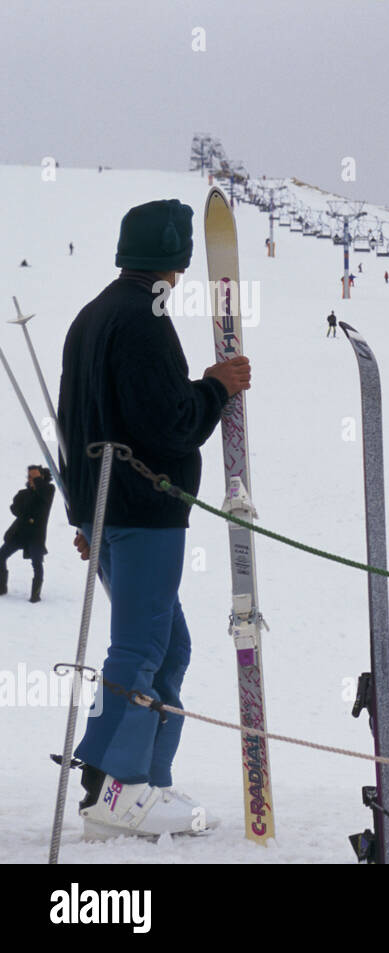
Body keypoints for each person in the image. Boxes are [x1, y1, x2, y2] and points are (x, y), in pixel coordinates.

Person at [56, 197, 250, 839]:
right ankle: (116, 789)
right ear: (175, 263)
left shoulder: (92, 316)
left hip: (112, 509)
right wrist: (216, 388)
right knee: (142, 649)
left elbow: (76, 425)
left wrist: (83, 515)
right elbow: (167, 425)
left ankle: (147, 782)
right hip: (145, 512)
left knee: (169, 647)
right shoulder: (144, 319)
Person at [0, 465, 55, 601]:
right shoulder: (23, 493)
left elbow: (43, 495)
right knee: (1, 556)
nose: (31, 479)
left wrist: (37, 481)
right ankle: (1, 587)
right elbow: (16, 509)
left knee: (37, 563)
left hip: (36, 536)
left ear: (42, 477)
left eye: (34, 476)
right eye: (30, 476)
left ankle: (35, 595)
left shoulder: (48, 490)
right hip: (18, 533)